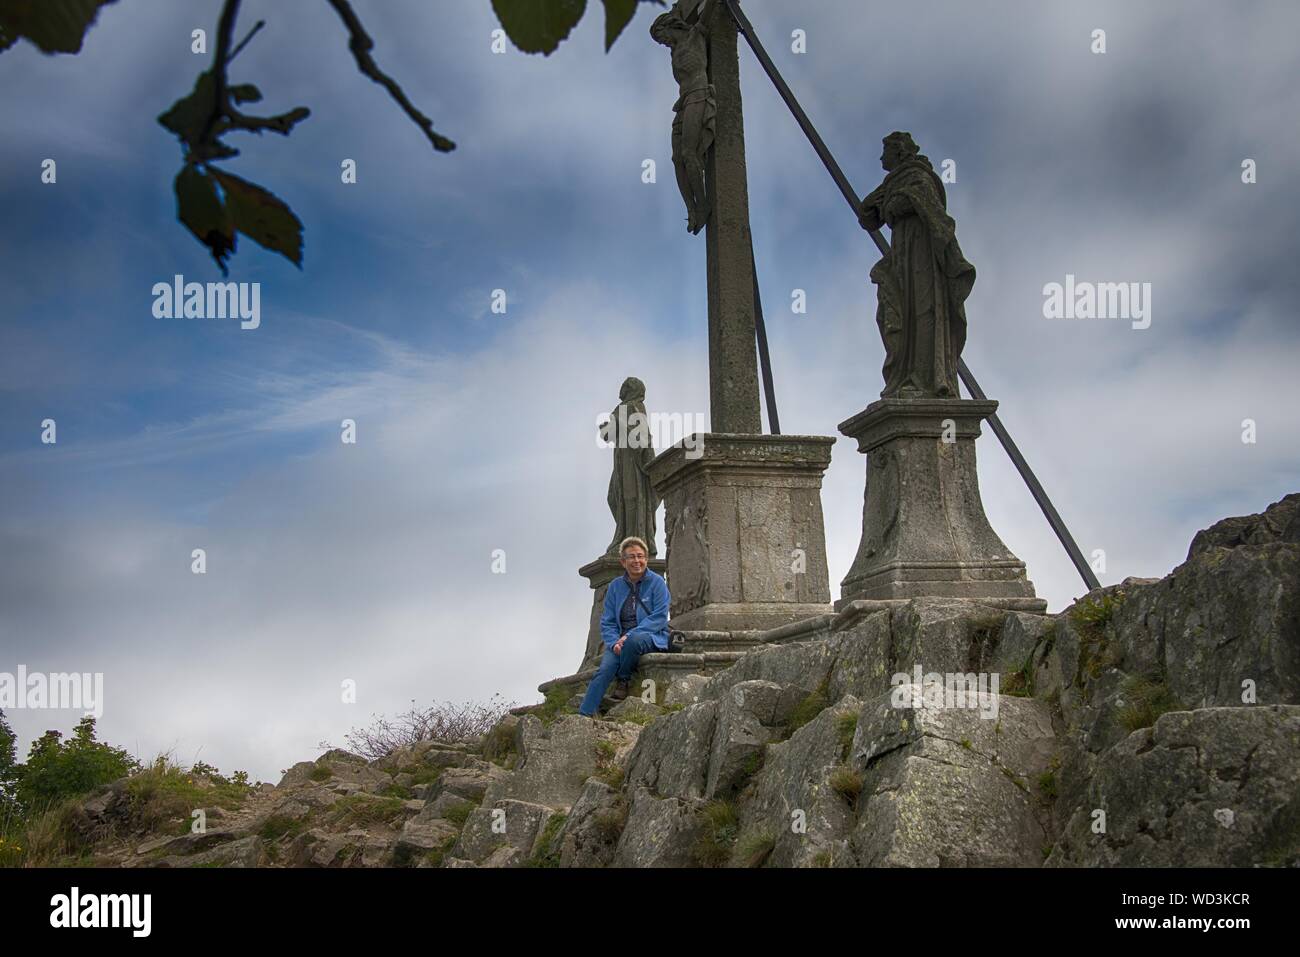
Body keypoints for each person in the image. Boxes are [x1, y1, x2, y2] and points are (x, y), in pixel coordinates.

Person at [579, 537, 671, 716]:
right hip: (619, 641)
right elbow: (608, 621)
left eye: (641, 556)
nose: (637, 561)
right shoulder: (615, 587)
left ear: (646, 559)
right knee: (604, 670)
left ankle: (623, 679)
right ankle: (583, 715)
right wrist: (614, 642)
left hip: (650, 635)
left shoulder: (657, 583)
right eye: (631, 557)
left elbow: (660, 617)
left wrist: (628, 636)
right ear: (623, 561)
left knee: (634, 640)